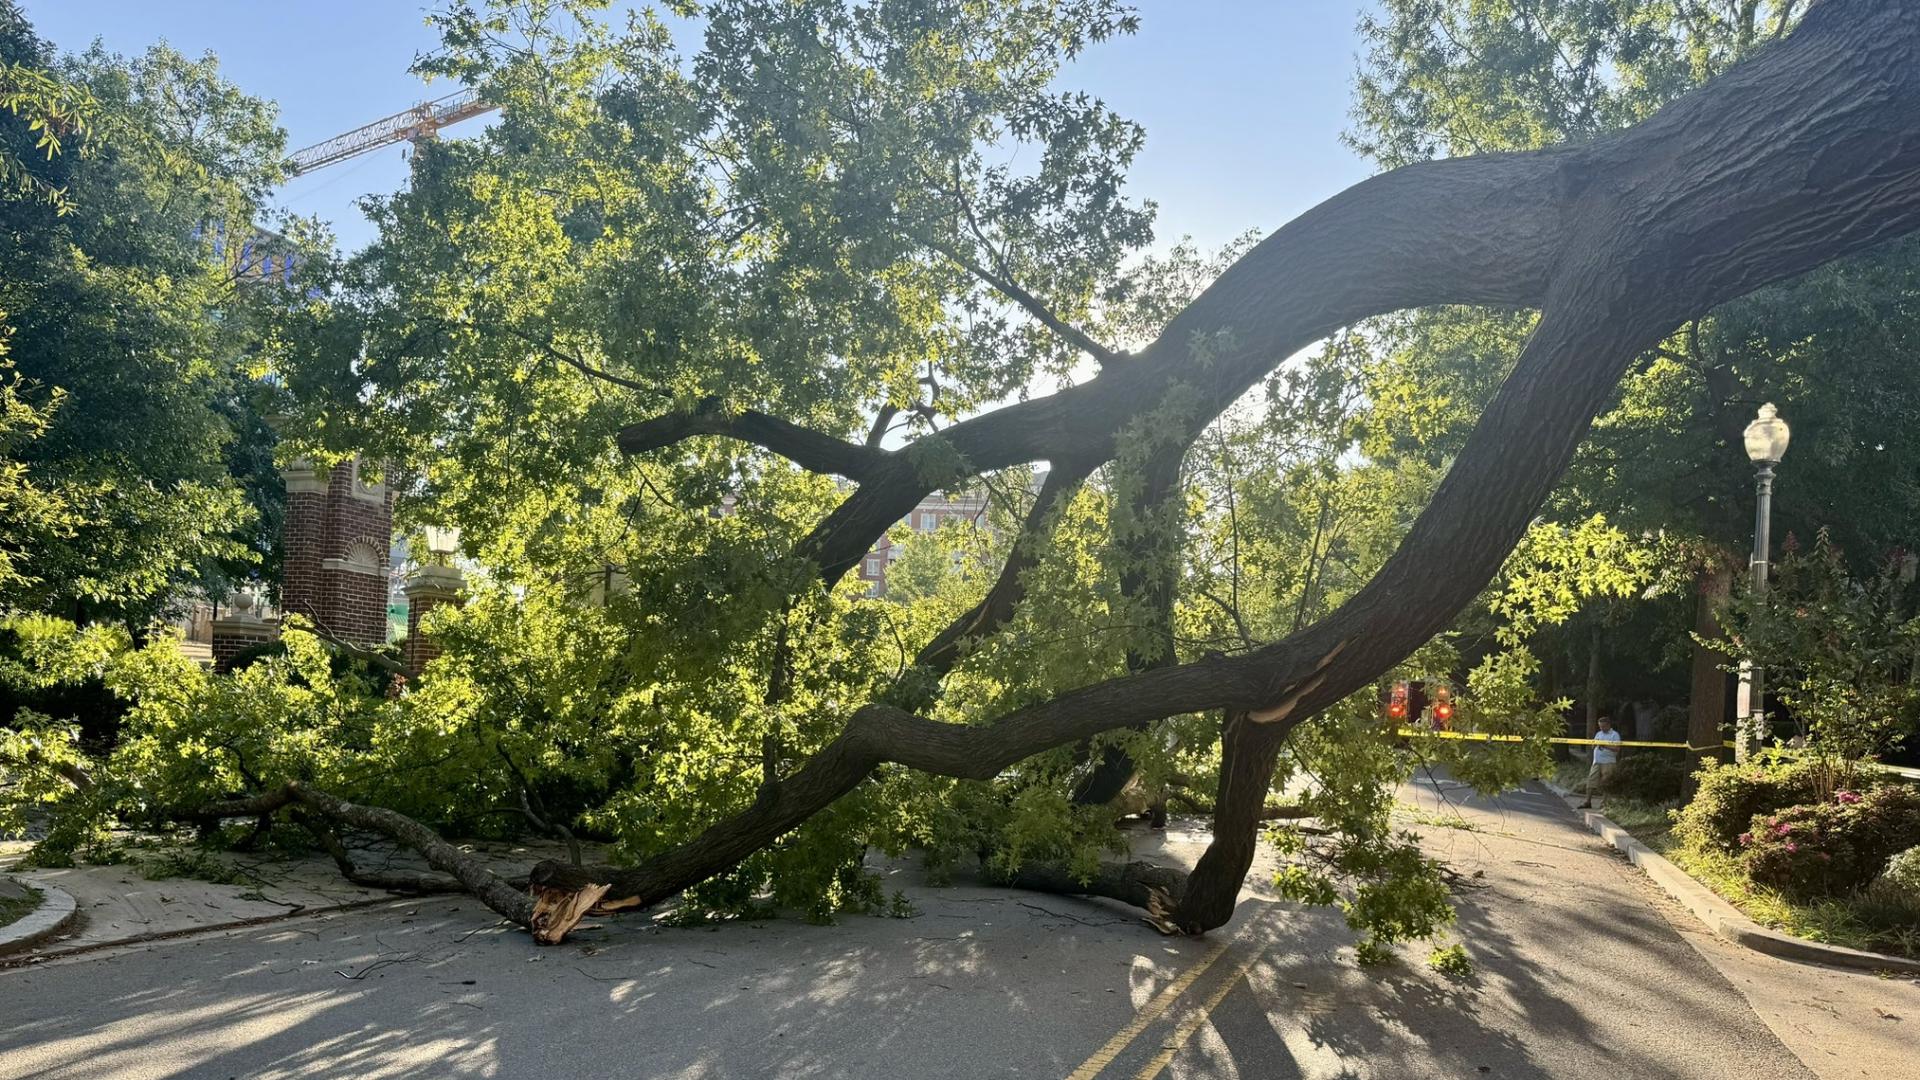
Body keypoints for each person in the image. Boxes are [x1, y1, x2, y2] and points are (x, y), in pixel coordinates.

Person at [1579, 717, 1623, 809]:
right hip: (1597, 761)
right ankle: (1587, 802)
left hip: (1608, 762)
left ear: (1608, 725)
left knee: (1606, 783)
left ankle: (1604, 804)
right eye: (1600, 726)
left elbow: (1617, 749)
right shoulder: (1598, 734)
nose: (1601, 728)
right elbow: (1593, 745)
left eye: (1603, 726)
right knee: (1591, 781)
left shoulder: (1615, 735)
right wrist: (1594, 744)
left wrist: (1604, 745)